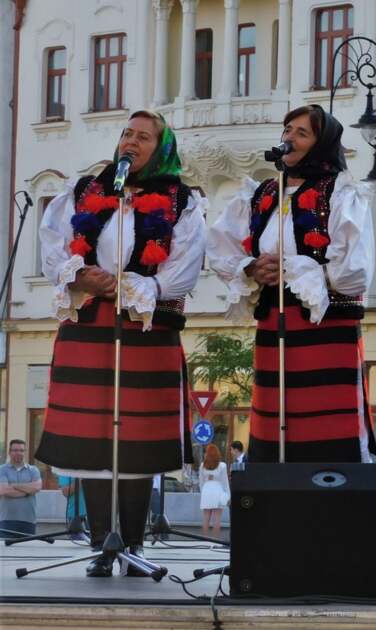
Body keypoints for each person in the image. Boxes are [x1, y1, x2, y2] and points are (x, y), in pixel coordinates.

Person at [34, 110, 204, 576]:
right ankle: (99, 545)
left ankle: (132, 543)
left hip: (146, 327)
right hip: (89, 323)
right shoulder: (87, 190)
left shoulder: (180, 200)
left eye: (143, 137)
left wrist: (130, 287)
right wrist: (80, 273)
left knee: (138, 441)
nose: (131, 142)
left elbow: (185, 266)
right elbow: (55, 241)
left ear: (161, 147)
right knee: (91, 441)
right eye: (127, 133)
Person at [208, 104, 376, 464]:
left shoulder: (341, 191)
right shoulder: (263, 193)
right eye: (287, 130)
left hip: (325, 326)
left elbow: (354, 270)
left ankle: (330, 497)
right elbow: (220, 245)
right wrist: (251, 267)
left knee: (324, 420)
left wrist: (300, 269)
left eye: (302, 132)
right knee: (275, 413)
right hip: (275, 322)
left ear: (322, 142)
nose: (290, 137)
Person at [0, 440, 42, 538]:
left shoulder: (33, 470)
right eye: (15, 450)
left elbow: (37, 487)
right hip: (6, 520)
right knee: (6, 552)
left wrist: (13, 485)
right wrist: (28, 491)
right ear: (9, 452)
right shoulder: (2, 470)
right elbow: (3, 490)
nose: (19, 453)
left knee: (27, 552)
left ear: (25, 452)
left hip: (28, 520)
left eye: (21, 450)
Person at [198, 445, 230, 538]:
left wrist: (202, 493)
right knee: (217, 518)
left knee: (205, 517)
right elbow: (225, 482)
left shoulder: (202, 466)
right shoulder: (222, 465)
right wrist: (228, 495)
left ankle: (204, 539)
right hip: (218, 490)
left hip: (206, 490)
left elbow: (201, 482)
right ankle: (215, 540)